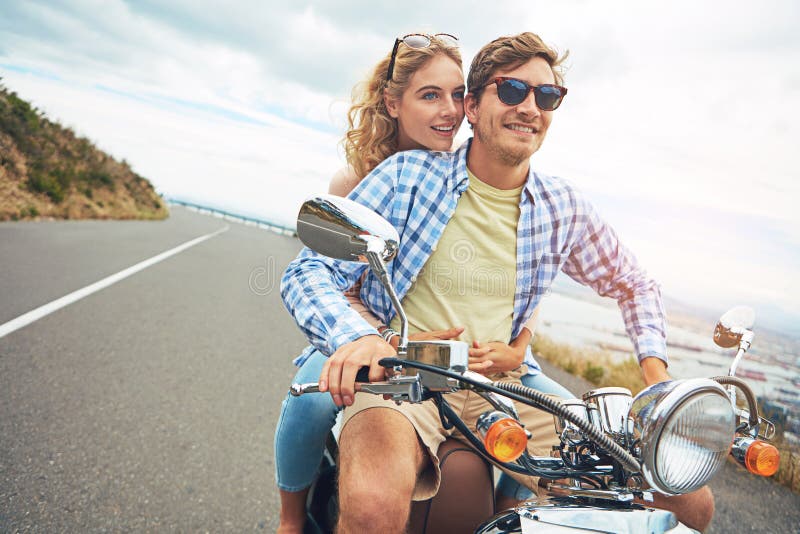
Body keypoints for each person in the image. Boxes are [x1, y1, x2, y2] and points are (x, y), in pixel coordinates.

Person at [281, 31, 715, 533]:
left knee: (686, 501)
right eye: (512, 91)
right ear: (471, 105)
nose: (530, 106)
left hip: (507, 386)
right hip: (404, 376)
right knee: (374, 506)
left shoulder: (563, 207)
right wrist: (361, 340)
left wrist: (657, 377)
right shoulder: (406, 176)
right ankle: (292, 518)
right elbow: (309, 269)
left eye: (546, 96)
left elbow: (634, 283)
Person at [274, 32, 566, 533]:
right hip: (372, 331)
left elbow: (521, 274)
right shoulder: (361, 181)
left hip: (468, 354)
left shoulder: (470, 177)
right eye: (430, 95)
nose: (449, 111)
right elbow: (339, 283)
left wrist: (520, 344)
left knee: (564, 421)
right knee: (316, 396)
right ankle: (290, 517)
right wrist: (390, 340)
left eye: (456, 96)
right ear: (393, 102)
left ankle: (508, 513)